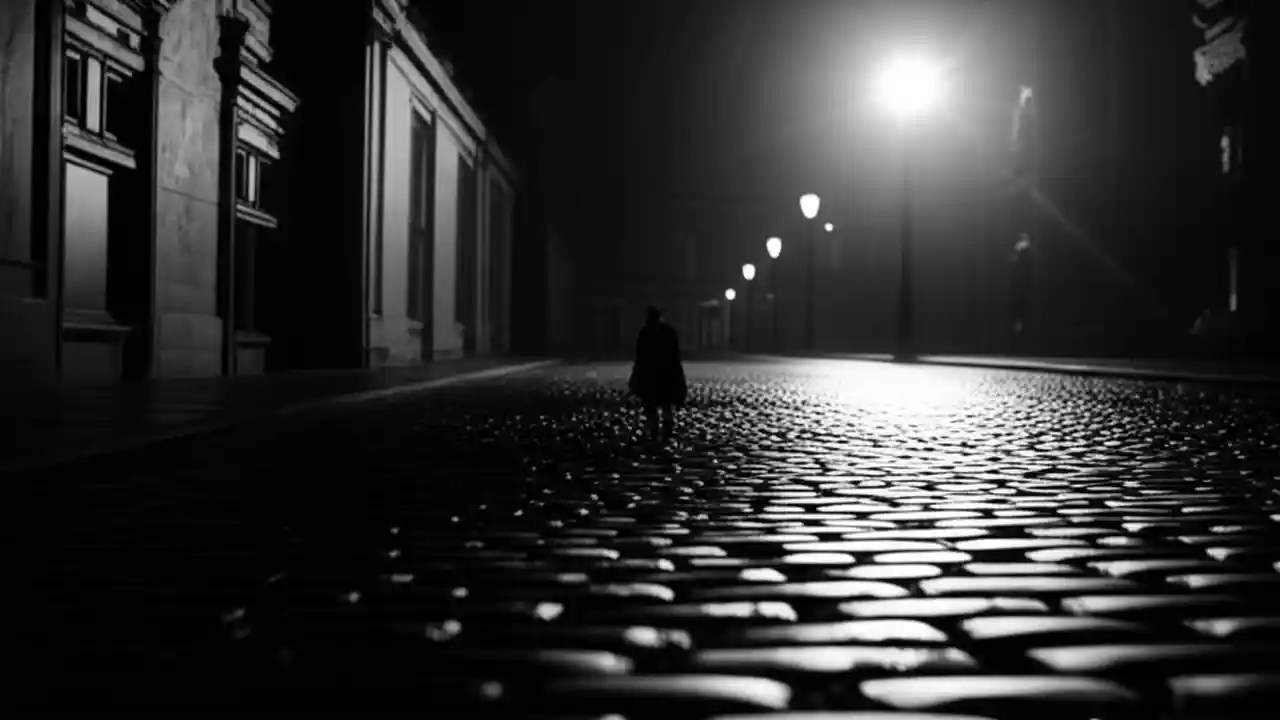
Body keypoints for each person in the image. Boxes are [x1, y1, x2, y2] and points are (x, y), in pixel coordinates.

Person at [628, 305, 687, 439]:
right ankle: (666, 428)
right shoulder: (668, 332)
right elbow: (675, 357)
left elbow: (640, 358)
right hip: (665, 374)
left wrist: (636, 375)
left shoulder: (645, 333)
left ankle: (655, 429)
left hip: (651, 375)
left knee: (651, 405)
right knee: (664, 404)